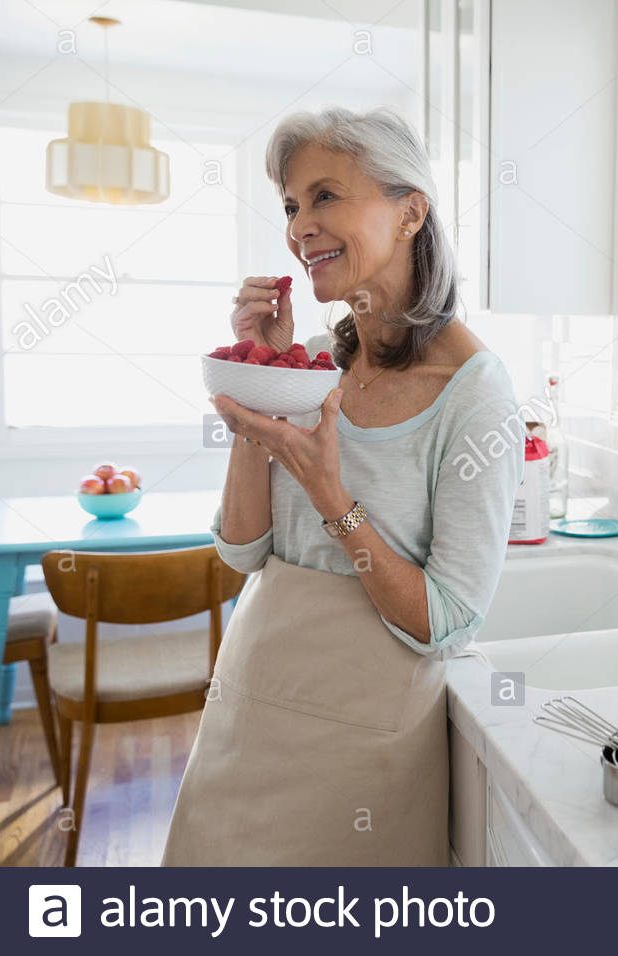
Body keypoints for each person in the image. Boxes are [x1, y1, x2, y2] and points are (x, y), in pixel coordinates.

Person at [162, 106, 523, 866]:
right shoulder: (316, 361)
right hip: (250, 700)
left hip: (361, 743)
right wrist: (259, 382)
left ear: (409, 212)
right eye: (292, 206)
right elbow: (241, 551)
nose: (300, 229)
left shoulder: (474, 392)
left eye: (326, 196)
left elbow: (448, 621)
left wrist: (333, 496)